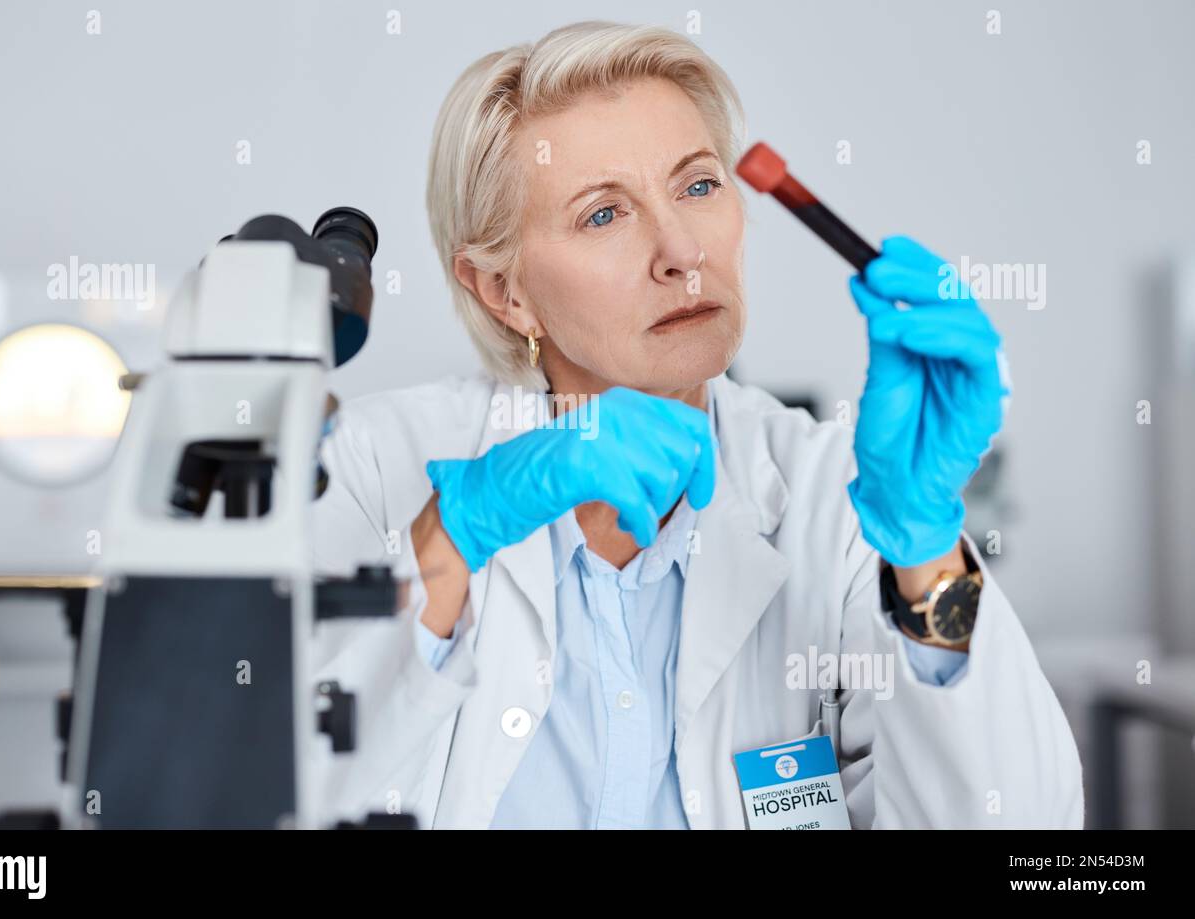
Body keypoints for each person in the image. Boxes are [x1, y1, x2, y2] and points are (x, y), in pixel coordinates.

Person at [309, 20, 1083, 829]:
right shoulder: (366, 466)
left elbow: (1030, 841)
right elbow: (269, 791)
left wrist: (925, 545)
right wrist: (453, 536)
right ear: (502, 292)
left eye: (699, 186)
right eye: (604, 214)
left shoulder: (837, 504)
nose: (681, 250)